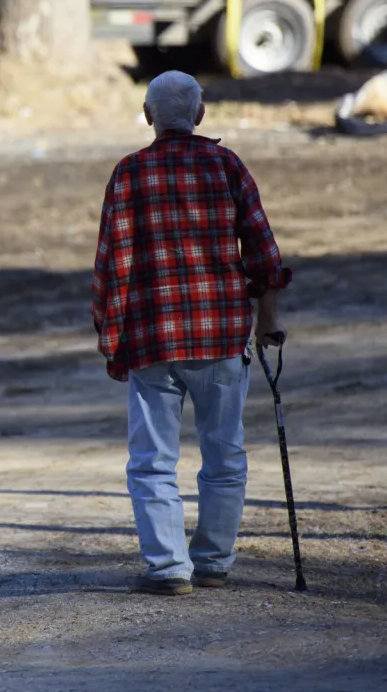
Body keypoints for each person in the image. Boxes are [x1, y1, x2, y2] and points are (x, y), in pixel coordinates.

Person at [91, 71, 292, 596]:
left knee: (152, 461)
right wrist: (268, 320)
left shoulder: (129, 173)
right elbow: (264, 253)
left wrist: (111, 339)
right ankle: (212, 562)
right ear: (200, 115)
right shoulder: (226, 166)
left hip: (153, 337)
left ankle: (168, 568)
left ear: (147, 113)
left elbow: (112, 265)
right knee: (224, 454)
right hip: (222, 334)